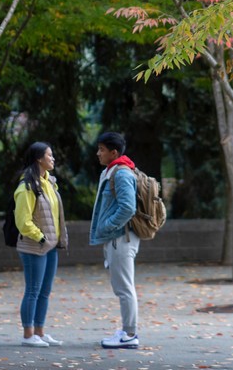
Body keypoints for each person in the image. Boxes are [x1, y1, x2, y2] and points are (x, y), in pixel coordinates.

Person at [13, 141, 68, 347]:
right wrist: (41, 237)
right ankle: (28, 335)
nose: (53, 159)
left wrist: (53, 240)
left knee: (45, 291)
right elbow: (23, 221)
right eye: (49, 155)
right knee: (33, 290)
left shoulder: (49, 183)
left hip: (51, 246)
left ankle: (40, 332)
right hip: (34, 246)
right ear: (39, 158)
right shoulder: (27, 186)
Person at [89, 131, 140, 349]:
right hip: (118, 237)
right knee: (122, 287)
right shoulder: (111, 171)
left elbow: (128, 207)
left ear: (114, 152)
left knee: (124, 288)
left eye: (102, 149)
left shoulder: (121, 173)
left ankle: (130, 334)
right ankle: (128, 331)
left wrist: (108, 225)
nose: (98, 153)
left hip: (122, 238)